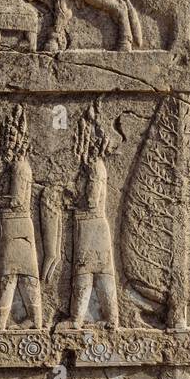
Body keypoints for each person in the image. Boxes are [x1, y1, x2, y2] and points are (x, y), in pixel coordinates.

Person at [0, 105, 43, 329]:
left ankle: (11, 319)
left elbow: (17, 200)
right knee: (12, 272)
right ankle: (25, 318)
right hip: (12, 227)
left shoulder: (20, 168)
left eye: (6, 146)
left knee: (16, 273)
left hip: (18, 227)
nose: (3, 152)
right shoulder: (13, 169)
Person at [64, 104, 119, 329]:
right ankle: (111, 318)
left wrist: (70, 200)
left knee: (85, 270)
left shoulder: (95, 169)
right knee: (102, 271)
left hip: (91, 224)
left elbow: (91, 200)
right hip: (93, 225)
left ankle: (77, 320)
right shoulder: (95, 167)